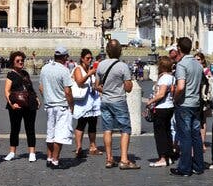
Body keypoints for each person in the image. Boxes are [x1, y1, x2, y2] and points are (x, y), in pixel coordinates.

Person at [96, 41, 138, 169]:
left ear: (107, 51)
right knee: (125, 129)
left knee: (107, 129)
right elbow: (128, 87)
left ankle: (109, 159)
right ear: (120, 51)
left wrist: (107, 91)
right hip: (118, 101)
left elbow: (96, 86)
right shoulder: (123, 66)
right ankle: (124, 159)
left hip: (105, 101)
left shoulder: (101, 65)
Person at [170, 37, 207, 177]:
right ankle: (198, 166)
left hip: (184, 104)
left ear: (179, 48)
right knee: (196, 135)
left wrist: (175, 98)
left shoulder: (182, 65)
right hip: (196, 104)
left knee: (185, 136)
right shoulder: (197, 64)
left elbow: (180, 86)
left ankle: (184, 168)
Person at [38, 46, 75, 169]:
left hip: (49, 106)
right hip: (61, 106)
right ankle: (55, 160)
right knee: (60, 134)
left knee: (50, 133)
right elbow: (68, 91)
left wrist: (48, 98)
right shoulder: (64, 71)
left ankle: (49, 157)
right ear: (64, 57)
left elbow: (41, 88)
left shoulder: (44, 68)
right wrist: (72, 106)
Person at [2, 51, 38, 162]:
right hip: (16, 105)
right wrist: (11, 103)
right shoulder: (11, 75)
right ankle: (12, 152)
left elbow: (30, 88)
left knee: (30, 128)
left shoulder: (25, 73)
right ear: (13, 62)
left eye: (22, 60)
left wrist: (36, 99)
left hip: (29, 104)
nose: (21, 62)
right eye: (18, 61)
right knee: (15, 129)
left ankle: (32, 152)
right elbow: (7, 91)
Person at [70, 48, 102, 159]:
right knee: (81, 123)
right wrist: (89, 74)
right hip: (82, 101)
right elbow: (79, 82)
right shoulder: (78, 69)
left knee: (93, 123)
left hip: (92, 99)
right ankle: (79, 147)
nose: (90, 60)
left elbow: (95, 84)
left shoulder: (91, 69)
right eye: (87, 58)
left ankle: (93, 146)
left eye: (91, 58)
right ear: (82, 59)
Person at [145, 56, 177, 168]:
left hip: (162, 108)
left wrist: (150, 101)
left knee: (160, 134)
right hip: (169, 107)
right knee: (167, 132)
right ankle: (169, 157)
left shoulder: (164, 78)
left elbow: (161, 94)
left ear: (162, 66)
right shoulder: (172, 77)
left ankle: (163, 158)